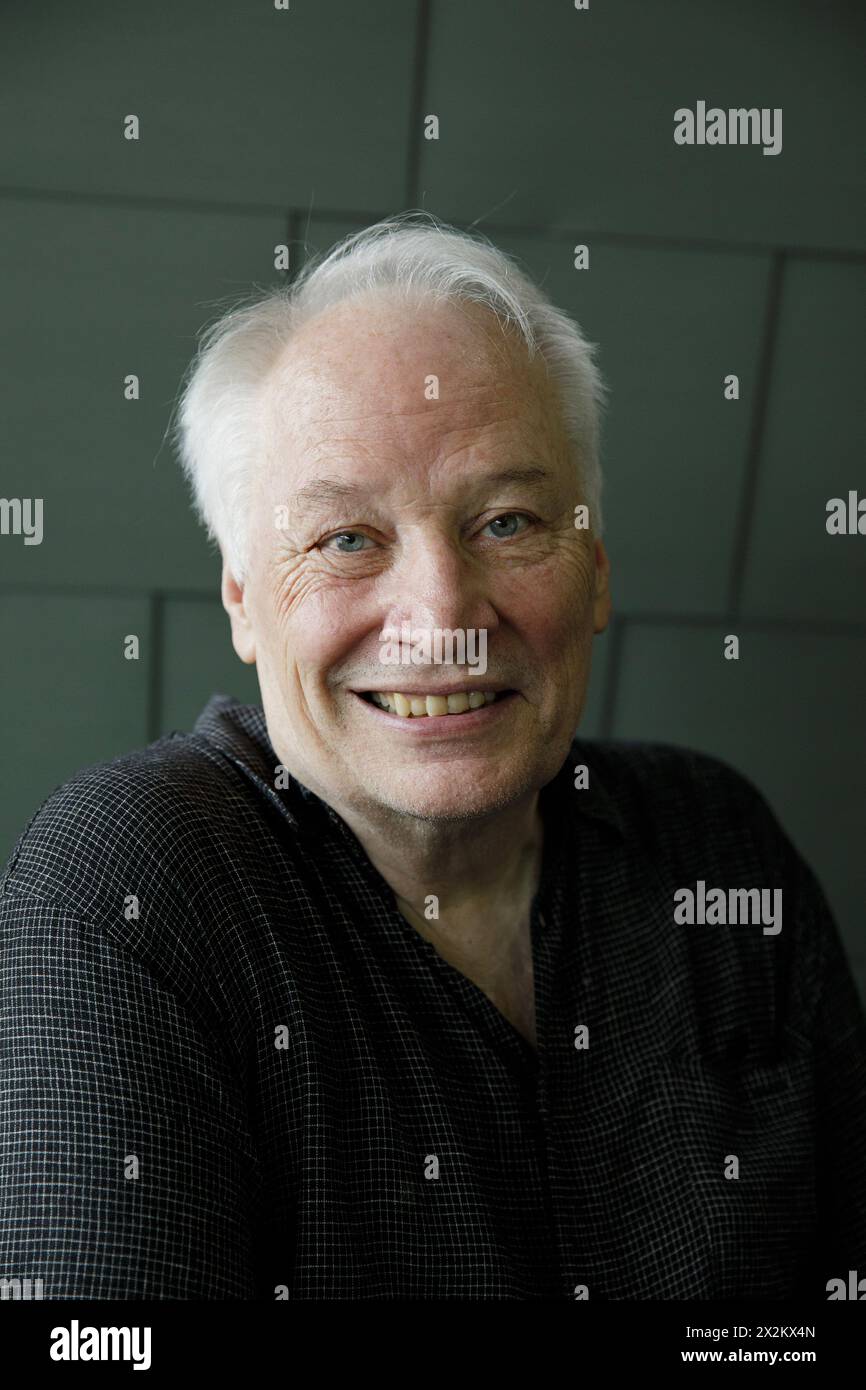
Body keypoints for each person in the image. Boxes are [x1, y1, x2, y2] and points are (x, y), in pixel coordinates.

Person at [1, 213, 863, 1300]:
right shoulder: (132, 889)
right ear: (243, 601)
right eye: (345, 539)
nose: (441, 617)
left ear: (593, 570)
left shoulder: (717, 842)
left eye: (504, 522)